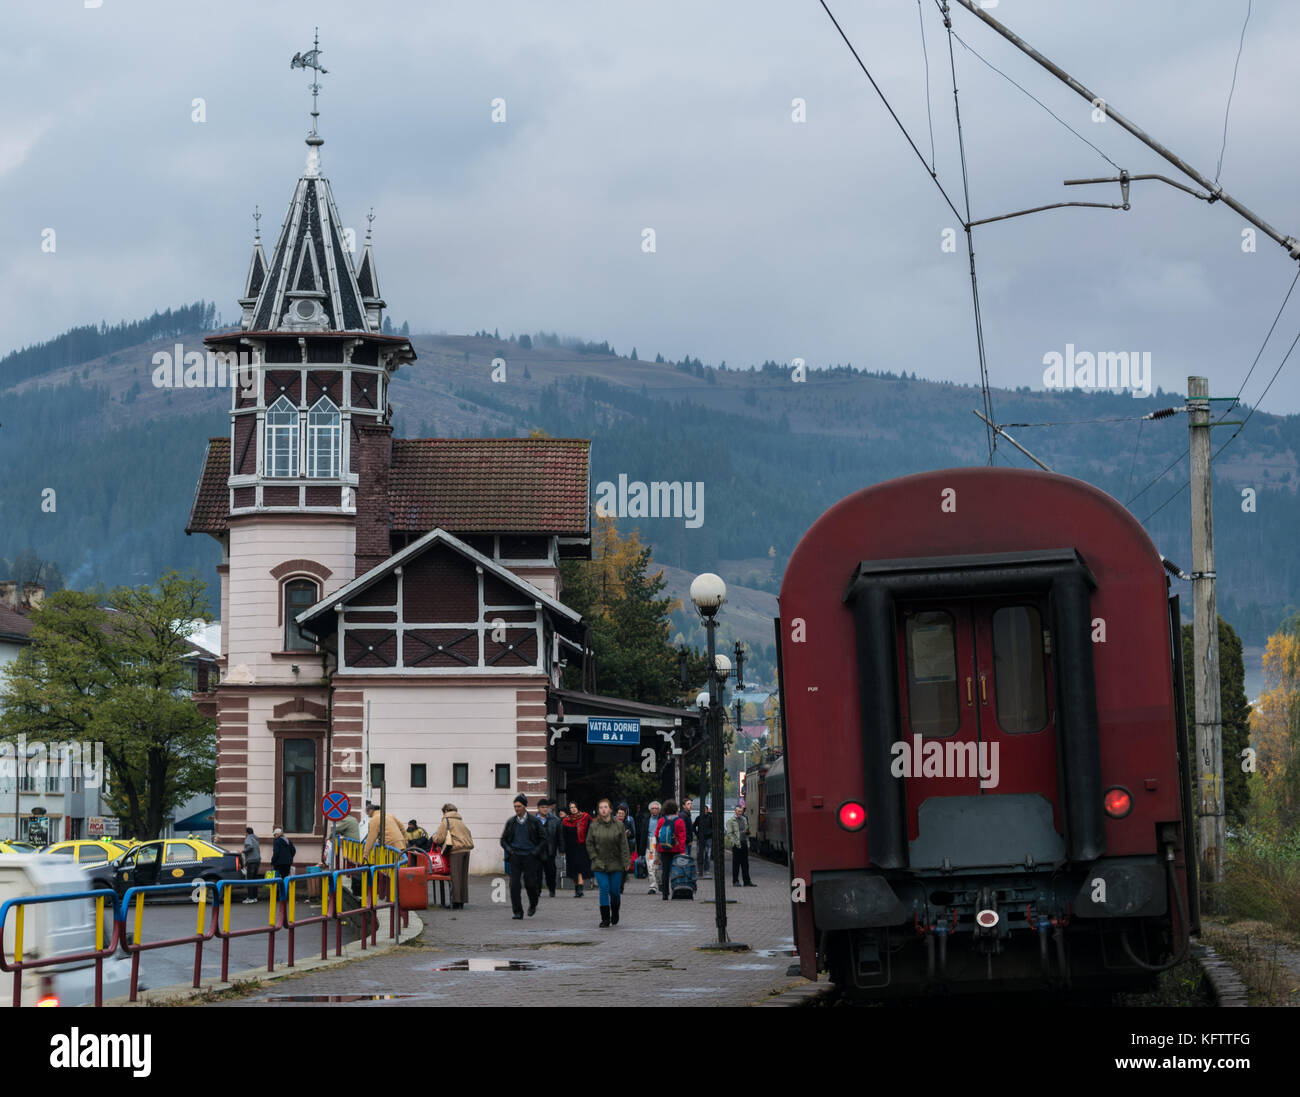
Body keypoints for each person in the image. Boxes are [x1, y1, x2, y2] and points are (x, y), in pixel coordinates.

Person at [586, 798, 631, 927]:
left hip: (616, 863)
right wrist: (594, 857)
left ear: (611, 809)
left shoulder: (619, 825)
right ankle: (605, 918)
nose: (603, 810)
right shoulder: (594, 826)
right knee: (604, 888)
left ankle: (615, 912)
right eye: (601, 808)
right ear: (598, 810)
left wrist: (626, 860)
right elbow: (589, 843)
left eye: (606, 807)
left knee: (615, 891)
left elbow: (624, 845)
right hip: (599, 864)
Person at [500, 794, 545, 918]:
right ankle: (518, 912)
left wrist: (534, 852)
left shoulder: (534, 821)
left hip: (530, 856)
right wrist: (510, 851)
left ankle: (533, 903)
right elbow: (503, 840)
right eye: (515, 806)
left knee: (530, 883)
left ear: (525, 806)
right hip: (515, 856)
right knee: (514, 884)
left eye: (519, 806)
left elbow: (543, 839)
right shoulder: (511, 822)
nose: (516, 809)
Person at [430, 802, 474, 908]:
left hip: (456, 850)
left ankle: (456, 902)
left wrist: (433, 838)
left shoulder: (446, 820)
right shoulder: (460, 821)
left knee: (455, 876)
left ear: (445, 811)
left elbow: (440, 837)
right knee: (463, 876)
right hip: (466, 850)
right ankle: (462, 901)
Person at [654, 799, 687, 901]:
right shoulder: (679, 821)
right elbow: (682, 837)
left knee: (665, 871)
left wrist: (659, 847)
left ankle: (665, 893)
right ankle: (675, 891)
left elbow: (656, 834)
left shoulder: (661, 820)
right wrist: (682, 851)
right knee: (676, 871)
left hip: (664, 849)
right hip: (676, 849)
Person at [561, 800, 592, 897]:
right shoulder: (566, 820)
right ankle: (576, 889)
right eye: (571, 808)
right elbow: (563, 835)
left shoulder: (585, 817)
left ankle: (580, 889)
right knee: (573, 870)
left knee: (580, 868)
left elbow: (591, 830)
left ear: (578, 807)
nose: (573, 809)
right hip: (570, 848)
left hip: (582, 846)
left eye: (574, 807)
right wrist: (563, 848)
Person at [536, 799, 562, 898]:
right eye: (542, 807)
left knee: (551, 872)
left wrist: (561, 849)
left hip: (550, 850)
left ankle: (552, 889)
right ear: (538, 808)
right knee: (537, 872)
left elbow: (560, 836)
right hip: (537, 851)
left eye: (546, 807)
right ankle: (537, 891)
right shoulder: (532, 820)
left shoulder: (555, 820)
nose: (545, 809)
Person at [726, 805, 755, 887]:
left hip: (744, 843)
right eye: (738, 811)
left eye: (741, 811)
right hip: (737, 844)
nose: (740, 813)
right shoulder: (731, 821)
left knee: (745, 864)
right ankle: (735, 881)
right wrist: (734, 842)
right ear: (735, 811)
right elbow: (729, 834)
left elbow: (746, 829)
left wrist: (747, 834)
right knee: (736, 864)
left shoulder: (744, 819)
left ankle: (747, 881)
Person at [638, 800, 662, 894]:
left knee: (656, 867)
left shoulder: (662, 819)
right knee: (650, 866)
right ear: (650, 810)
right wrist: (641, 849)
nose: (655, 810)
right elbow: (642, 834)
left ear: (659, 810)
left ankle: (659, 883)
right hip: (650, 846)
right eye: (653, 808)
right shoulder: (646, 820)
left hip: (659, 846)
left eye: (656, 808)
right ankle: (653, 886)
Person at [615, 803, 637, 887]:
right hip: (615, 848)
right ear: (616, 814)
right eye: (619, 813)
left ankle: (621, 885)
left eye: (622, 814)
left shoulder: (628, 822)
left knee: (624, 868)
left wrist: (628, 833)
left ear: (625, 815)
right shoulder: (613, 823)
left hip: (625, 847)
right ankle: (617, 884)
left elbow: (633, 834)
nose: (620, 815)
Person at [270, 827, 296, 891]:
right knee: (285, 878)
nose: (274, 836)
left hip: (279, 863)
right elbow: (293, 850)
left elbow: (276, 853)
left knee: (278, 878)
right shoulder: (287, 841)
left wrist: (272, 861)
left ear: (278, 834)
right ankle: (285, 894)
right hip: (288, 863)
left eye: (275, 835)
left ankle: (279, 894)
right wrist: (289, 858)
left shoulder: (277, 841)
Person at [242, 826, 261, 903]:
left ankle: (250, 898)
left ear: (247, 833)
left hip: (252, 862)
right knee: (254, 880)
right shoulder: (255, 839)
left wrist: (243, 851)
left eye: (245, 833)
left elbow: (250, 847)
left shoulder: (248, 838)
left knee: (250, 880)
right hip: (257, 861)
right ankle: (255, 897)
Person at [697, 804, 713, 874]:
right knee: (699, 854)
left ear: (707, 810)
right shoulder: (698, 818)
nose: (704, 811)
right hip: (700, 839)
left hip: (708, 839)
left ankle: (706, 869)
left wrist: (710, 833)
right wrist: (697, 834)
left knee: (707, 855)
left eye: (705, 809)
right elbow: (694, 826)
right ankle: (700, 869)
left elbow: (713, 827)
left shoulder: (710, 818)